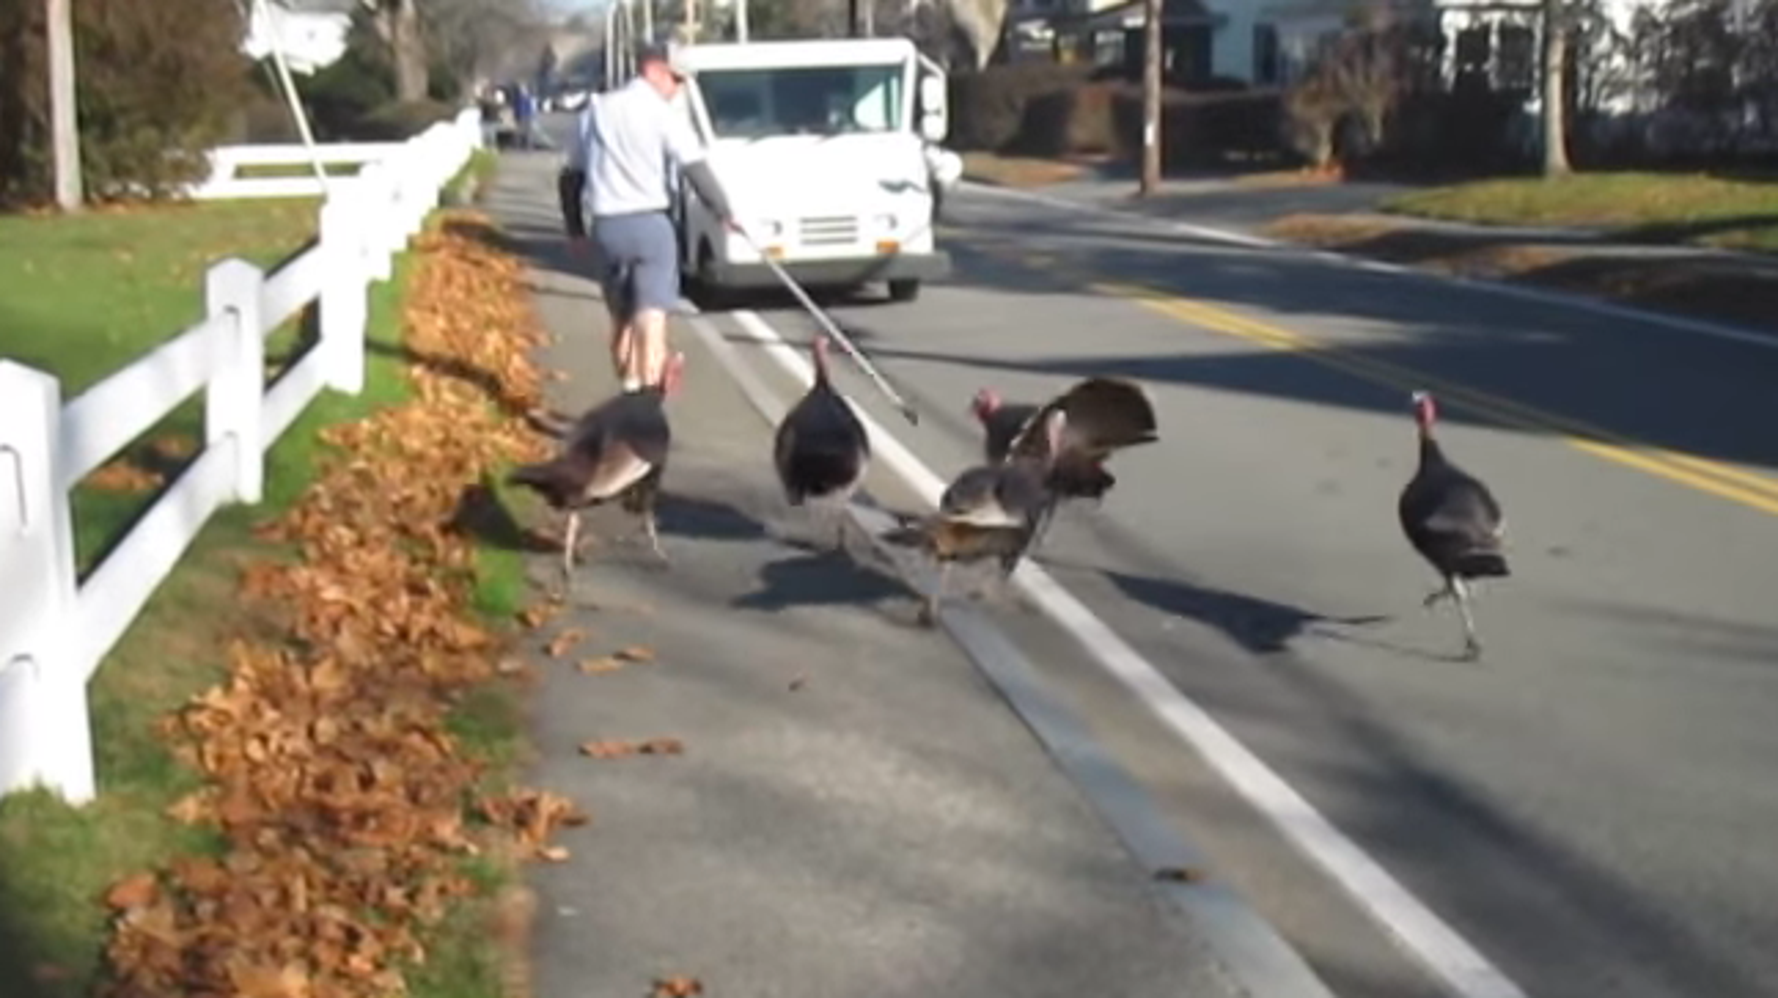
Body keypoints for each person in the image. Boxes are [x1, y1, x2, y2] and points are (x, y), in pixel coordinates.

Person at [557, 39, 740, 393]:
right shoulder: (661, 114)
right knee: (652, 315)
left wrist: (575, 230)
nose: (679, 88)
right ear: (654, 71)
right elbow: (695, 168)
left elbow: (571, 177)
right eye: (676, 79)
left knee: (622, 320)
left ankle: (628, 385)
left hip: (607, 227)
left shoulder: (596, 110)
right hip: (651, 224)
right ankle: (645, 397)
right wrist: (723, 212)